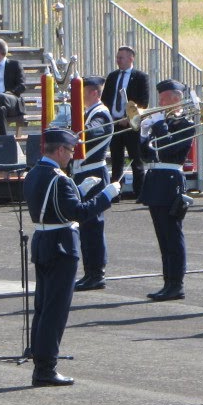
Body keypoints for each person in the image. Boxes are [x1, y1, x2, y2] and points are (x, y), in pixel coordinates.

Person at [23, 127, 118, 387]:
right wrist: (106, 195)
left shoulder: (34, 173)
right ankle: (45, 369)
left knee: (43, 308)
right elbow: (77, 212)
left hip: (43, 241)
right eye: (70, 151)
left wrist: (78, 188)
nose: (72, 156)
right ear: (61, 150)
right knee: (55, 311)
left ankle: (41, 359)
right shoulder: (58, 179)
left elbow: (55, 206)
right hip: (61, 246)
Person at [137, 79, 196, 302]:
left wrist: (159, 124)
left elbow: (171, 148)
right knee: (162, 237)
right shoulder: (160, 121)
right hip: (155, 181)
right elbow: (145, 155)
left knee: (173, 235)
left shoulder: (185, 123)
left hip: (171, 180)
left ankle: (176, 283)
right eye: (159, 99)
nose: (160, 103)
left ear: (177, 99)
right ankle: (167, 282)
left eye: (164, 99)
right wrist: (143, 134)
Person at [73, 76, 113, 291]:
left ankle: (97, 272)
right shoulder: (89, 113)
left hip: (94, 174)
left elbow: (94, 132)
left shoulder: (100, 113)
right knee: (86, 226)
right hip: (84, 172)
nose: (79, 98)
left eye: (83, 92)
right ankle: (90, 272)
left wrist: (74, 132)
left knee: (93, 226)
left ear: (94, 93)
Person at [102, 45, 151, 194]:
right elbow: (105, 99)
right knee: (116, 161)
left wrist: (128, 118)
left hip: (131, 125)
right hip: (115, 123)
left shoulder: (141, 77)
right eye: (117, 58)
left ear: (131, 58)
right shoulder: (112, 76)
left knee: (136, 159)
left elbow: (143, 101)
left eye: (121, 58)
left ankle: (140, 192)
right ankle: (115, 192)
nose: (118, 61)